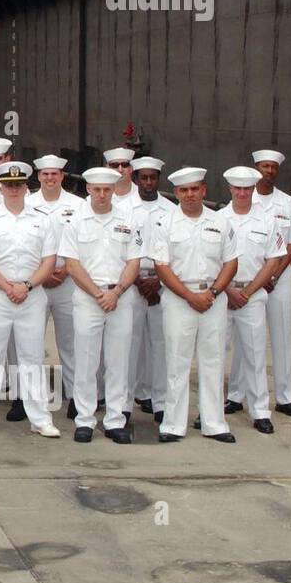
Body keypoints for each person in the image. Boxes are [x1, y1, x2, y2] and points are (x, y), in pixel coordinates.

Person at [0, 161, 60, 437]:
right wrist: (8, 287)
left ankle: (40, 417)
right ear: (2, 187)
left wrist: (27, 286)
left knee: (31, 356)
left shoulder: (42, 220)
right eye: (8, 185)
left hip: (31, 295)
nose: (13, 189)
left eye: (18, 185)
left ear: (25, 187)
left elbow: (49, 262)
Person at [151, 168, 238, 443]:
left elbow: (231, 262)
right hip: (179, 299)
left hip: (213, 297)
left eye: (195, 189)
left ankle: (214, 423)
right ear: (176, 193)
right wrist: (190, 297)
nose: (190, 195)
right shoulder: (164, 223)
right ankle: (173, 425)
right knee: (177, 361)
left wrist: (212, 292)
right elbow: (161, 267)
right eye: (184, 190)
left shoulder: (220, 222)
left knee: (213, 360)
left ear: (204, 190)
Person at [60, 168, 144, 444]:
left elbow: (134, 262)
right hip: (88, 298)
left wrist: (116, 291)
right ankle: (84, 419)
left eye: (107, 189)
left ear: (113, 190)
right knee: (86, 360)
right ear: (88, 190)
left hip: (120, 297)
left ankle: (115, 419)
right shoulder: (75, 221)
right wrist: (98, 294)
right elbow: (72, 264)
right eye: (96, 189)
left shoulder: (128, 219)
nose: (101, 194)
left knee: (119, 360)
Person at [219, 166, 285, 434]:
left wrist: (246, 293)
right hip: (222, 294)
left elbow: (272, 261)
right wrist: (227, 290)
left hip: (252, 295)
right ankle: (211, 409)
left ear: (253, 189)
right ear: (230, 189)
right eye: (238, 188)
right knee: (215, 354)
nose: (243, 193)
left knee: (255, 354)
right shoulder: (219, 219)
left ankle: (260, 411)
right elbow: (212, 261)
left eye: (247, 188)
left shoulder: (267, 221)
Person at [250, 149, 291, 418]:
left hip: (279, 280)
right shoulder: (243, 199)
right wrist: (260, 279)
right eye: (265, 166)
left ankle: (285, 397)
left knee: (282, 336)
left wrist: (274, 274)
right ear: (256, 167)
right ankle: (236, 395)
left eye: (274, 168)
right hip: (250, 281)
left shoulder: (288, 203)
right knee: (247, 339)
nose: (269, 171)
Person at [25, 155, 81, 421]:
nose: (50, 178)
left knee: (71, 343)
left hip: (68, 280)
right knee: (30, 343)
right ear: (38, 177)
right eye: (45, 174)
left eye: (55, 174)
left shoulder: (78, 205)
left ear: (62, 176)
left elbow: (83, 245)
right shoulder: (26, 203)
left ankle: (75, 396)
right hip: (35, 282)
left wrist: (66, 270)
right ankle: (27, 398)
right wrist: (42, 274)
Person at [127, 156, 175, 420]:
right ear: (135, 179)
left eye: (152, 177)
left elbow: (176, 251)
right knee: (129, 344)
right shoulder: (122, 208)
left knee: (160, 344)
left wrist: (159, 280)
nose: (148, 182)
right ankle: (124, 402)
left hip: (161, 284)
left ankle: (160, 403)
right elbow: (119, 249)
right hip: (130, 284)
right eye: (143, 177)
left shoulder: (170, 210)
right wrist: (136, 281)